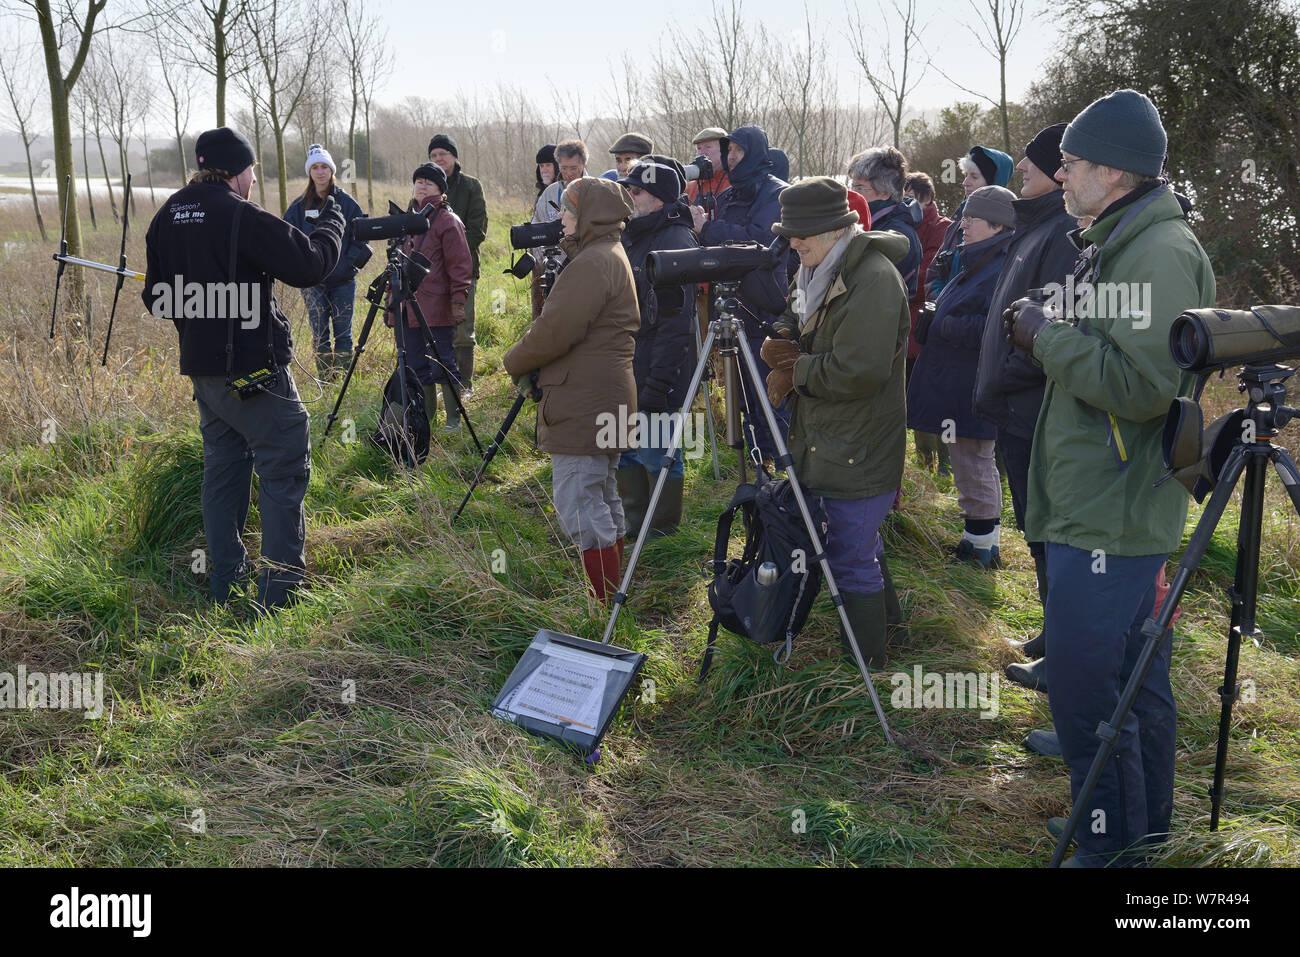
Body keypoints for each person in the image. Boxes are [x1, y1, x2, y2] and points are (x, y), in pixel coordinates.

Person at [1003, 89, 1215, 866]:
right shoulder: (1120, 238)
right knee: (1133, 686)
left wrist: (1044, 336)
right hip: (1101, 500)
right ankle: (1134, 834)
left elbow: (1139, 388)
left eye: (1074, 162)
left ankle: (1111, 848)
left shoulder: (1157, 254)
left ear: (1116, 173)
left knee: (1094, 697)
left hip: (1113, 514)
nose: (1061, 173)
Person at [142, 127, 343, 612]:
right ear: (237, 171)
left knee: (224, 472)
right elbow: (310, 266)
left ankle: (227, 583)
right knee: (283, 466)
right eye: (252, 170)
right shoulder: (241, 214)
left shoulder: (166, 215)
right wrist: (333, 225)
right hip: (253, 374)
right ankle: (279, 597)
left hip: (203, 375)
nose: (254, 179)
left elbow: (155, 298)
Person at [761, 177, 910, 665]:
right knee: (859, 541)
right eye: (789, 232)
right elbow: (795, 313)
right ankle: (891, 632)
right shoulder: (818, 269)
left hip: (858, 446)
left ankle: (865, 669)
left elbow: (858, 372)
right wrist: (781, 335)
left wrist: (793, 371)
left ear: (834, 229)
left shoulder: (872, 280)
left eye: (801, 233)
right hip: (827, 439)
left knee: (848, 556)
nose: (792, 242)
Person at [971, 124, 1077, 694]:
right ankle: (1052, 630)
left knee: (1046, 528)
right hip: (1015, 405)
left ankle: (1063, 643)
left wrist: (1009, 381)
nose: (1021, 181)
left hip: (1031, 406)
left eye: (1029, 173)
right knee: (1034, 525)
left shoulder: (1060, 235)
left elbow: (1050, 326)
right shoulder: (1033, 227)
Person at [503, 177, 640, 601]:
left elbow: (554, 331)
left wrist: (514, 361)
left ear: (589, 216)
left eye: (567, 209)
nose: (560, 216)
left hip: (586, 400)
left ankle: (604, 608)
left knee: (580, 504)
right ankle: (615, 596)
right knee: (601, 496)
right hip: (605, 395)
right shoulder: (605, 254)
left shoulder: (593, 263)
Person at [907, 185, 1016, 567]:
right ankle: (975, 540)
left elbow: (995, 327)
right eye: (965, 215)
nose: (963, 223)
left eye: (973, 218)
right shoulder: (977, 258)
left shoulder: (1001, 266)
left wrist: (943, 324)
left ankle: (984, 550)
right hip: (958, 381)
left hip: (972, 384)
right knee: (968, 463)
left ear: (997, 225)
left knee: (974, 462)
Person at [691, 125, 793, 465]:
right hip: (732, 298)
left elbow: (760, 243)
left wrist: (707, 228)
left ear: (756, 153)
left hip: (766, 302)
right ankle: (755, 451)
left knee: (769, 384)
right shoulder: (726, 196)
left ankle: (783, 457)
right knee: (743, 386)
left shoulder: (777, 194)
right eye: (729, 151)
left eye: (738, 151)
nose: (732, 158)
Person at [616, 155, 697, 540]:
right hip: (628, 363)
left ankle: (662, 532)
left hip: (658, 367)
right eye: (628, 189)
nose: (630, 196)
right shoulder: (631, 234)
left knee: (656, 449)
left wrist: (660, 383)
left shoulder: (676, 242)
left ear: (660, 198)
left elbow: (676, 326)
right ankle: (636, 523)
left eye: (637, 191)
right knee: (624, 446)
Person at [848, 148, 935, 475]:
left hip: (879, 347)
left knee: (876, 429)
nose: (852, 194)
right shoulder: (871, 221)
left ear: (885, 192)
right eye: (852, 184)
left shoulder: (898, 235)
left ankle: (880, 504)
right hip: (864, 343)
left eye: (861, 187)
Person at [386, 163, 473, 432]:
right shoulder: (406, 220)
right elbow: (394, 265)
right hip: (406, 307)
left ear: (440, 190)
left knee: (442, 363)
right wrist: (390, 304)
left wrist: (458, 303)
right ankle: (426, 422)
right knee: (416, 365)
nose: (422, 185)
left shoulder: (448, 221)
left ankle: (455, 421)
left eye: (429, 182)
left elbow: (460, 266)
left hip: (436, 306)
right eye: (418, 180)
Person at [282, 144, 367, 381]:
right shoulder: (298, 208)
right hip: (312, 282)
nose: (320, 172)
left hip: (343, 281)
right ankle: (326, 382)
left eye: (324, 167)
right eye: (315, 167)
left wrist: (346, 267)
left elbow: (361, 238)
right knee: (319, 334)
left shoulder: (348, 204)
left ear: (331, 170)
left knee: (343, 334)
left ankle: (341, 382)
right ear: (310, 172)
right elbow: (288, 239)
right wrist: (305, 268)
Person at [428, 134, 488, 394]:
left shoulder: (471, 186)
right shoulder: (425, 185)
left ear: (454, 156)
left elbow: (479, 228)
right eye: (434, 155)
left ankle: (464, 384)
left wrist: (453, 254)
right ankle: (443, 381)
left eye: (443, 154)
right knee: (437, 325)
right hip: (431, 273)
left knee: (462, 327)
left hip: (464, 270)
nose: (439, 159)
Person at [529, 144, 559, 319]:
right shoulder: (541, 194)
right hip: (539, 265)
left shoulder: (565, 192)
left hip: (562, 264)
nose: (544, 170)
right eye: (541, 166)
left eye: (548, 165)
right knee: (539, 315)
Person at [685, 127, 730, 219]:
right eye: (699, 148)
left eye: (708, 147)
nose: (702, 153)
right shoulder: (690, 187)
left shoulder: (735, 183)